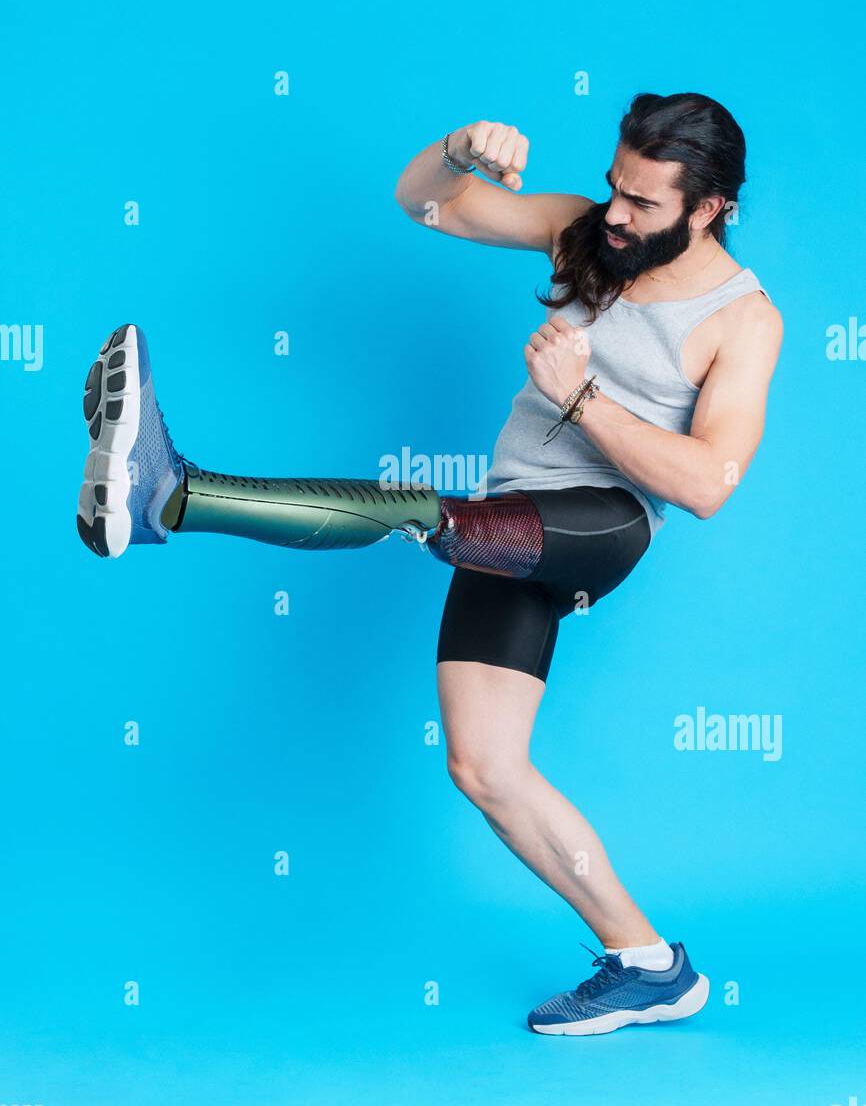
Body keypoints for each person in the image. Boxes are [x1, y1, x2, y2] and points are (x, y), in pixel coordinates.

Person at [77, 92, 783, 1036]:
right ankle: (650, 964)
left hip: (602, 524)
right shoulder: (586, 233)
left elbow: (708, 483)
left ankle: (170, 494)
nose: (616, 213)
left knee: (423, 514)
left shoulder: (745, 319)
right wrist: (457, 149)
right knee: (485, 766)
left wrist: (582, 403)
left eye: (643, 203)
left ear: (709, 209)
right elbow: (428, 205)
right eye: (614, 185)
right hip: (507, 520)